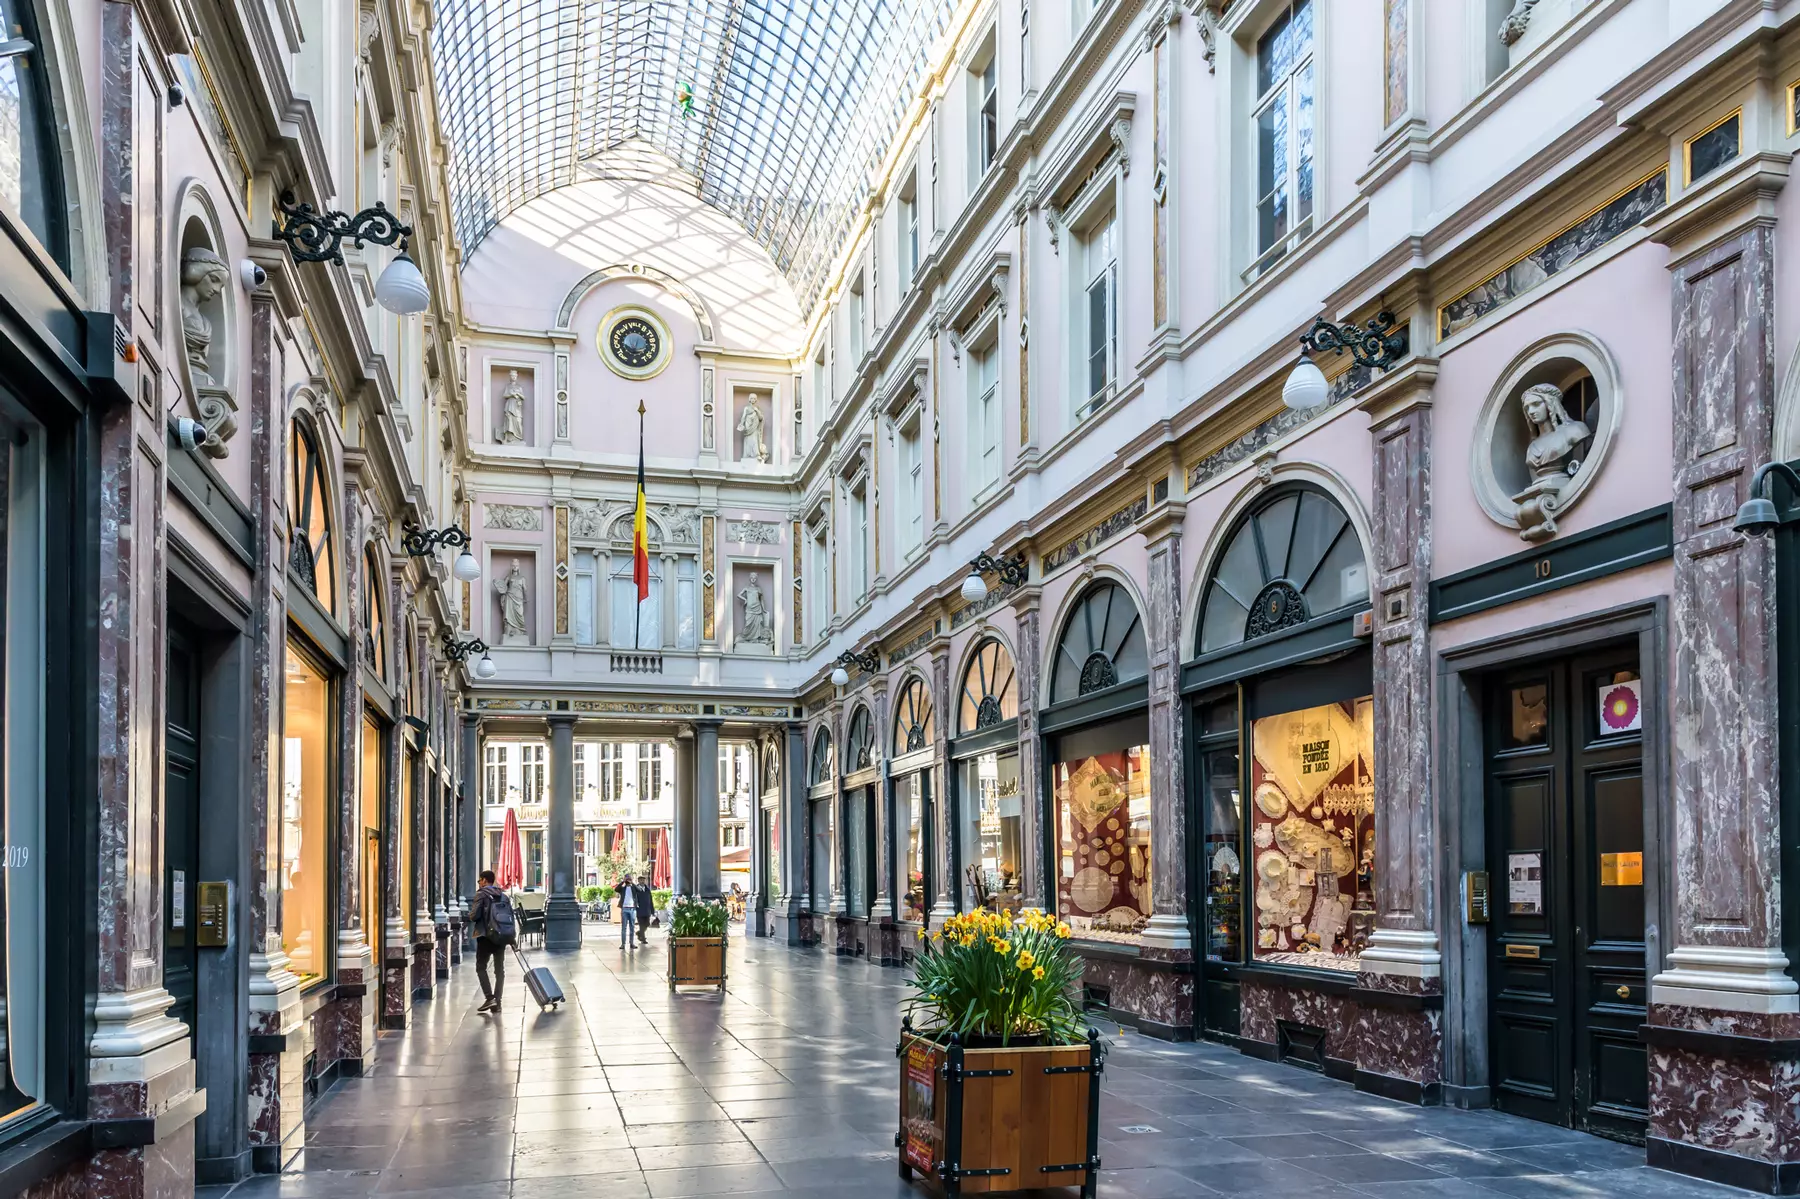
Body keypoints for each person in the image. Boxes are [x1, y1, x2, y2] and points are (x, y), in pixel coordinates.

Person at [468, 870, 516, 1013]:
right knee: (499, 970)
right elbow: (510, 918)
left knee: (481, 967)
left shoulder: (481, 894)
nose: (479, 883)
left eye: (480, 880)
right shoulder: (503, 895)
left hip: (485, 936)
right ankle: (498, 1001)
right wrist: (512, 938)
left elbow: (475, 916)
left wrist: (470, 916)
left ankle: (490, 998)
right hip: (501, 936)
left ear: (483, 880)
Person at [629, 876, 653, 945]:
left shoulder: (647, 889)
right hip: (639, 910)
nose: (642, 881)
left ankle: (639, 933)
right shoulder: (635, 889)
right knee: (641, 925)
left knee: (647, 924)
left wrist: (652, 910)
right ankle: (643, 939)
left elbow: (650, 900)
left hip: (647, 910)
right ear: (638, 881)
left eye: (643, 880)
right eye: (641, 880)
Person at [619, 872, 640, 949]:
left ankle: (631, 943)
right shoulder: (623, 888)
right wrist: (622, 881)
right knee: (623, 927)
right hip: (624, 909)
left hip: (632, 909)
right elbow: (616, 889)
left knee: (632, 927)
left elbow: (639, 890)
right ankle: (623, 944)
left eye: (629, 879)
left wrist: (632, 882)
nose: (628, 880)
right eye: (627, 879)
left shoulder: (633, 887)